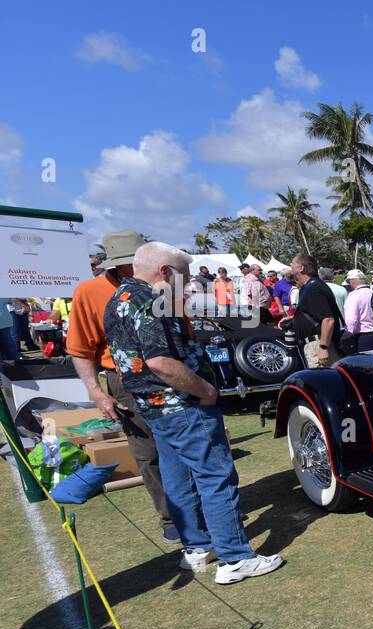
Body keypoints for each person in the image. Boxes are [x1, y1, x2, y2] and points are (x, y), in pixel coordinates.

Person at [104, 242, 281, 584]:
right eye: (183, 277)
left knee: (177, 475)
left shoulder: (120, 298)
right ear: (165, 272)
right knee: (215, 476)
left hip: (154, 407)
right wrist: (207, 390)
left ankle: (197, 547)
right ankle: (235, 557)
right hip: (182, 404)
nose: (187, 285)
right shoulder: (151, 302)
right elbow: (160, 362)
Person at [65, 230, 178, 540]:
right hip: (125, 379)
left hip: (171, 372)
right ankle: (171, 520)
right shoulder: (89, 292)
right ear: (116, 265)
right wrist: (97, 392)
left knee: (182, 446)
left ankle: (196, 513)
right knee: (148, 452)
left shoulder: (164, 283)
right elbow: (79, 349)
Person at [286, 254, 342, 368]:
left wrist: (323, 348)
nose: (290, 265)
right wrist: (295, 318)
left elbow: (328, 319)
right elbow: (316, 314)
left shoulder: (314, 288)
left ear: (301, 268)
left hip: (318, 344)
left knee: (323, 383)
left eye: (293, 263)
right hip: (315, 344)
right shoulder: (310, 286)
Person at [343, 268, 373, 354]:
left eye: (349, 281)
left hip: (363, 337)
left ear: (352, 281)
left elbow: (352, 320)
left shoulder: (354, 295)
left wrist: (348, 335)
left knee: (364, 364)